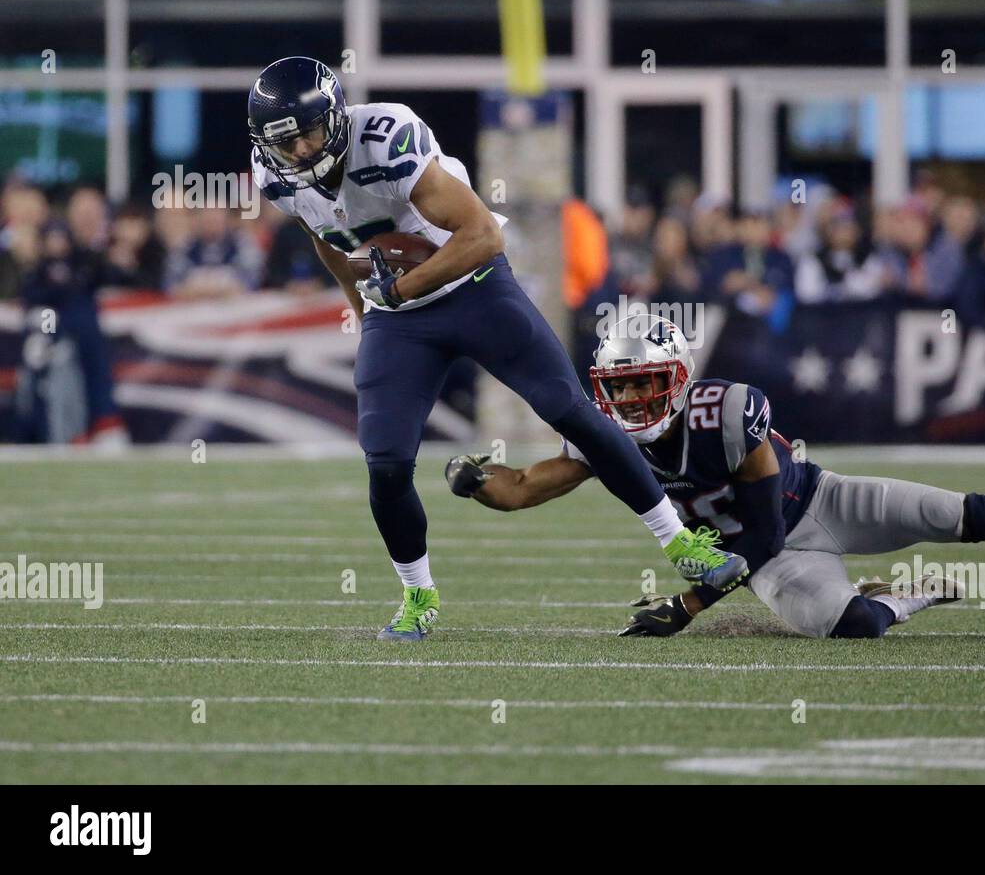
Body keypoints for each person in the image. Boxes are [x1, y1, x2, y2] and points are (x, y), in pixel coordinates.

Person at [246, 56, 740, 640]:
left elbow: (483, 236)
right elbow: (327, 239)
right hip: (398, 317)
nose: (301, 149)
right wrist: (366, 311)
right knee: (384, 460)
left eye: (308, 132)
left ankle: (682, 544)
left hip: (473, 287)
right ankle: (418, 596)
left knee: (569, 409)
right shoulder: (272, 173)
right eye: (286, 141)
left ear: (336, 117)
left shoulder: (385, 137)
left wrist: (397, 290)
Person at [445, 316, 985, 640]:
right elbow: (521, 489)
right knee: (855, 627)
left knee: (974, 512)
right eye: (623, 387)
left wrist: (689, 604)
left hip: (817, 503)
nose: (634, 401)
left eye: (647, 384)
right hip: (771, 566)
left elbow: (766, 523)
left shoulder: (726, 412)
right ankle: (904, 598)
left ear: (677, 379)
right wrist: (472, 480)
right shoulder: (603, 440)